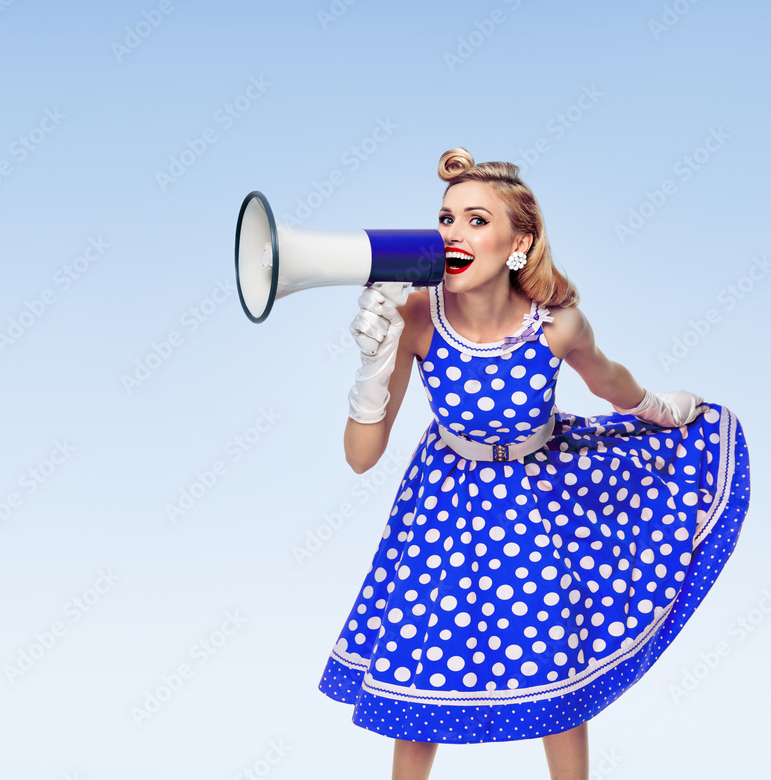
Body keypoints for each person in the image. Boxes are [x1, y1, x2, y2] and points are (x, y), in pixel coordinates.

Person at [317, 148, 751, 780]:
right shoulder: (417, 317)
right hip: (445, 503)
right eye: (445, 220)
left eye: (475, 220)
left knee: (555, 657)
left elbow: (610, 384)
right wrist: (373, 365)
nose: (453, 234)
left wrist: (660, 407)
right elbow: (361, 458)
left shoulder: (558, 326)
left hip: (537, 498)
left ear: (518, 243)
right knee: (417, 660)